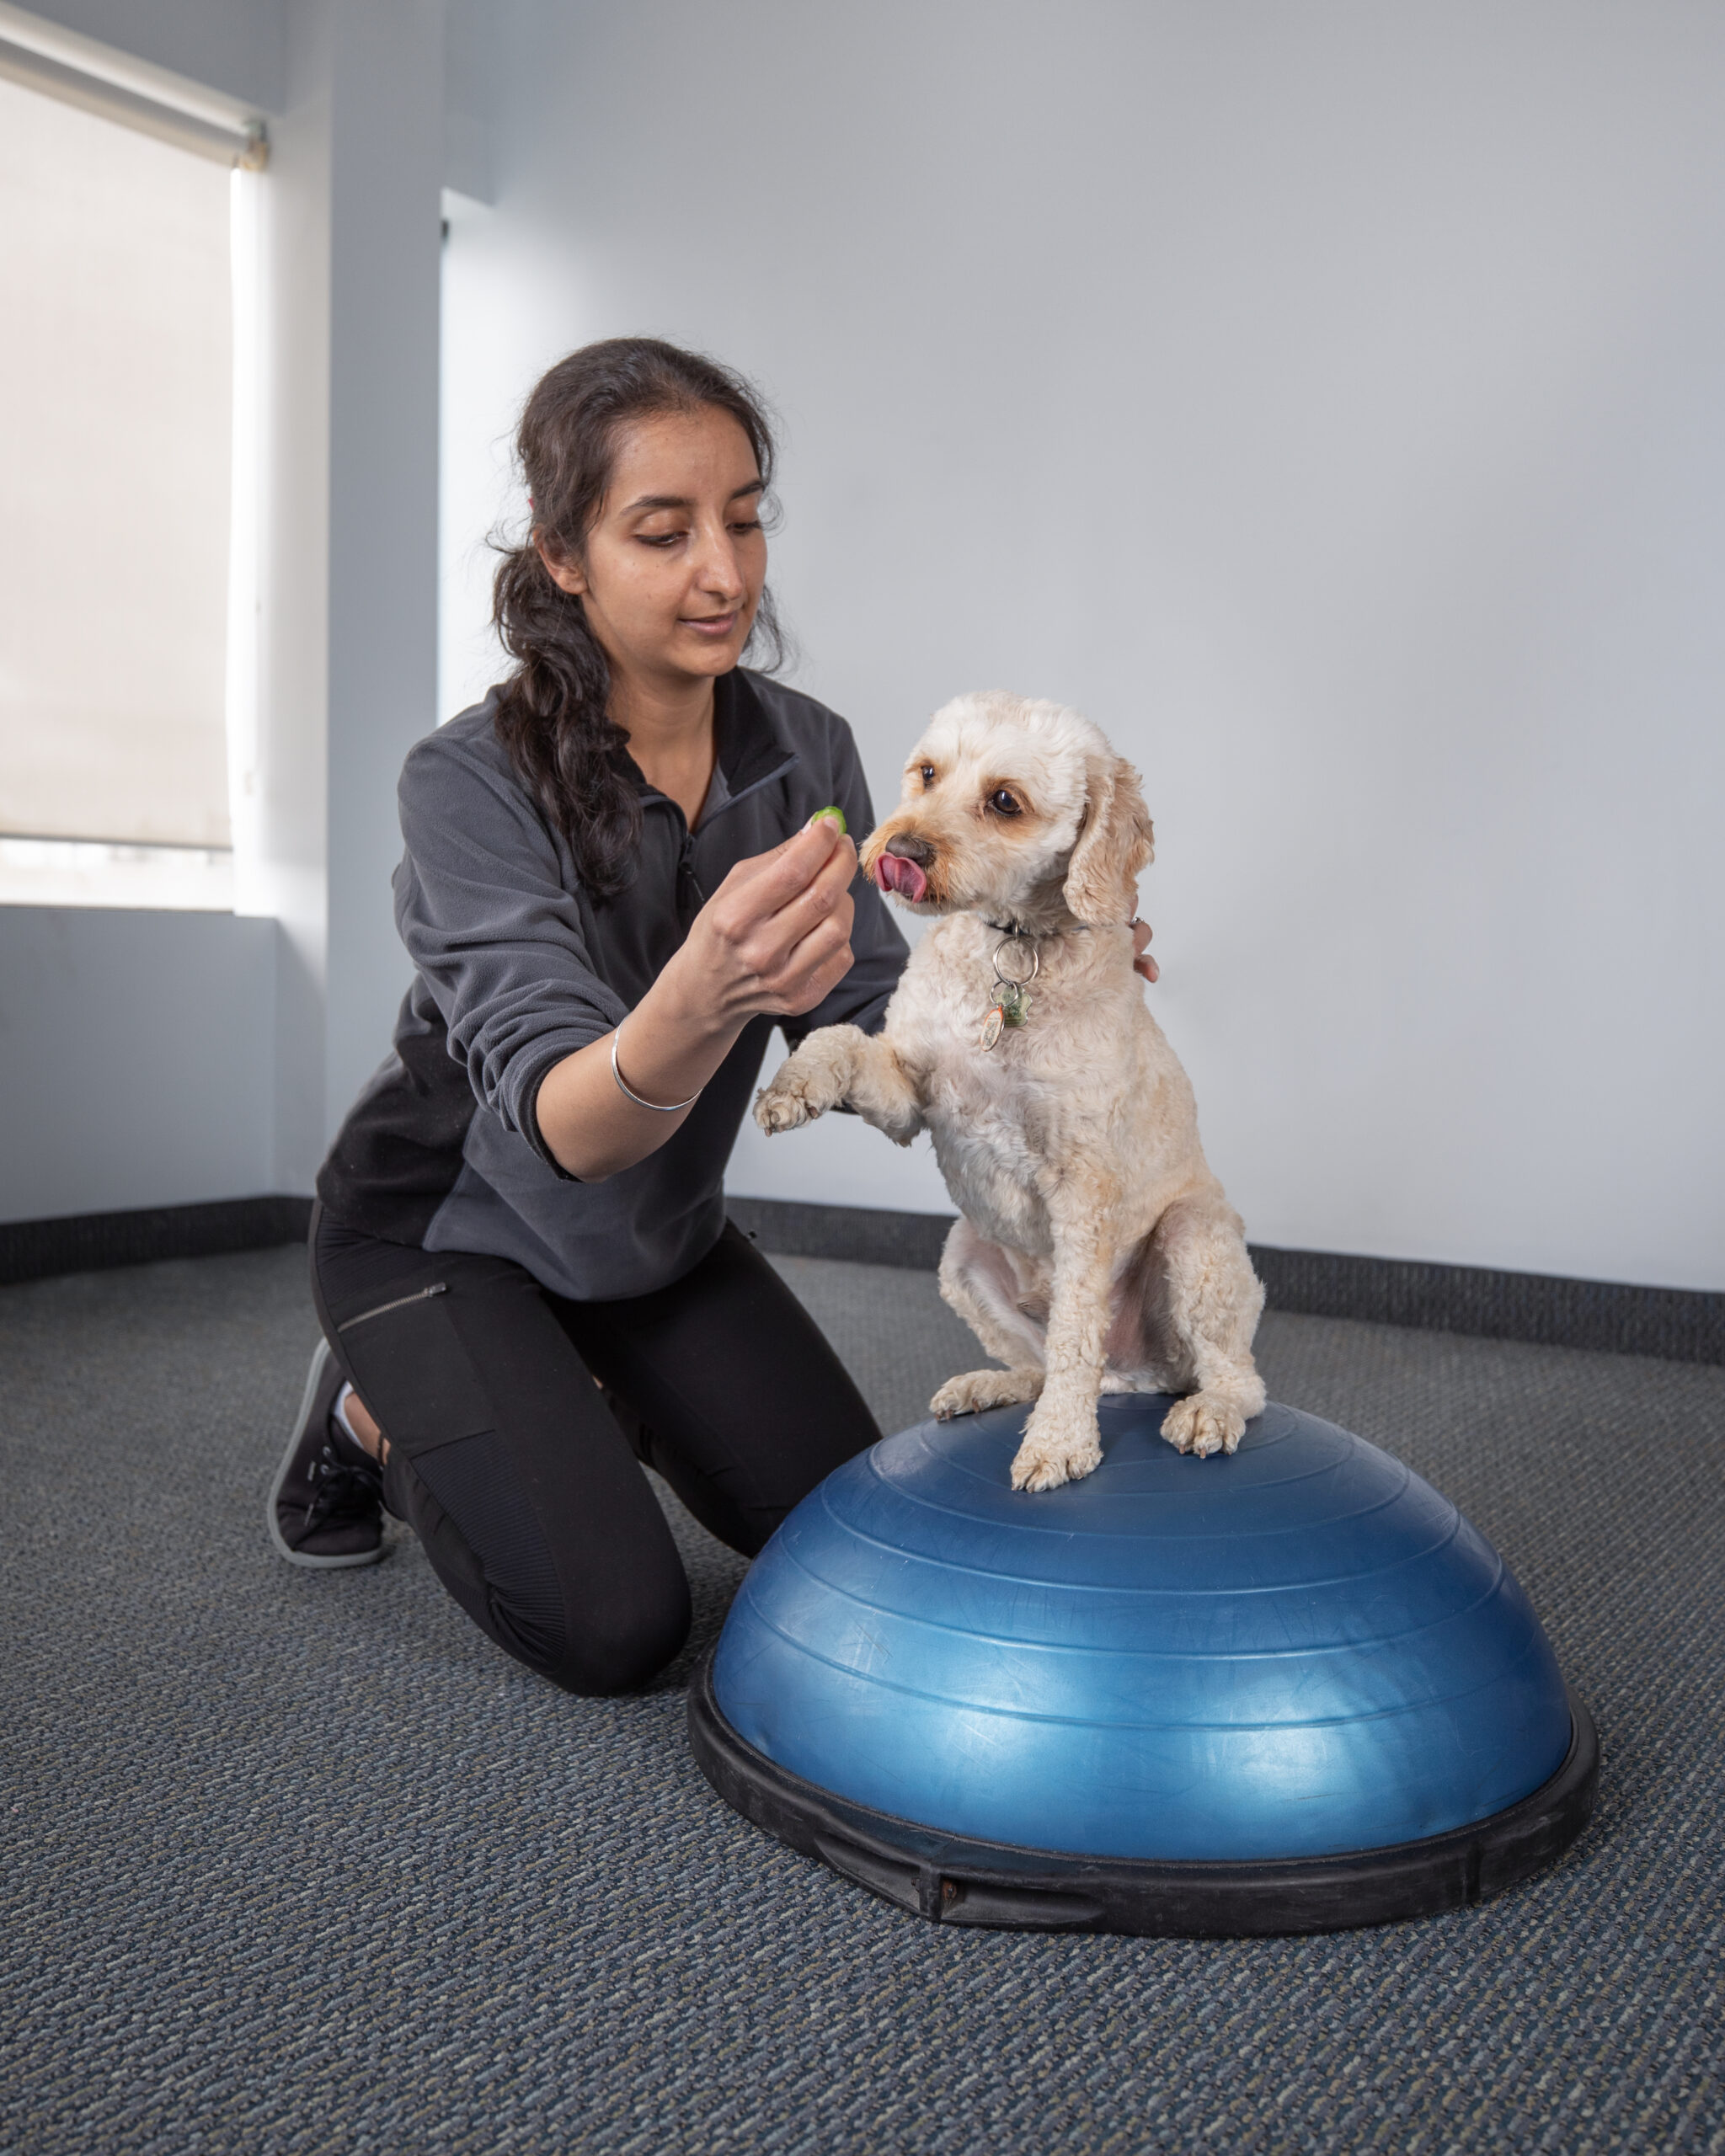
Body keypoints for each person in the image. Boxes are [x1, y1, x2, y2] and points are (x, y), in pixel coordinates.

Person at [265, 335, 1157, 1696]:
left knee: (846, 1535)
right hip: (447, 1230)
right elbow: (570, 1128)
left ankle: (546, 1394)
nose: (725, 573)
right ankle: (375, 1411)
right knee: (618, 1628)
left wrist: (1036, 970)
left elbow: (877, 1015)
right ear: (564, 554)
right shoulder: (463, 782)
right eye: (662, 531)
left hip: (654, 1238)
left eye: (744, 519)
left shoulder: (807, 751)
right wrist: (703, 992)